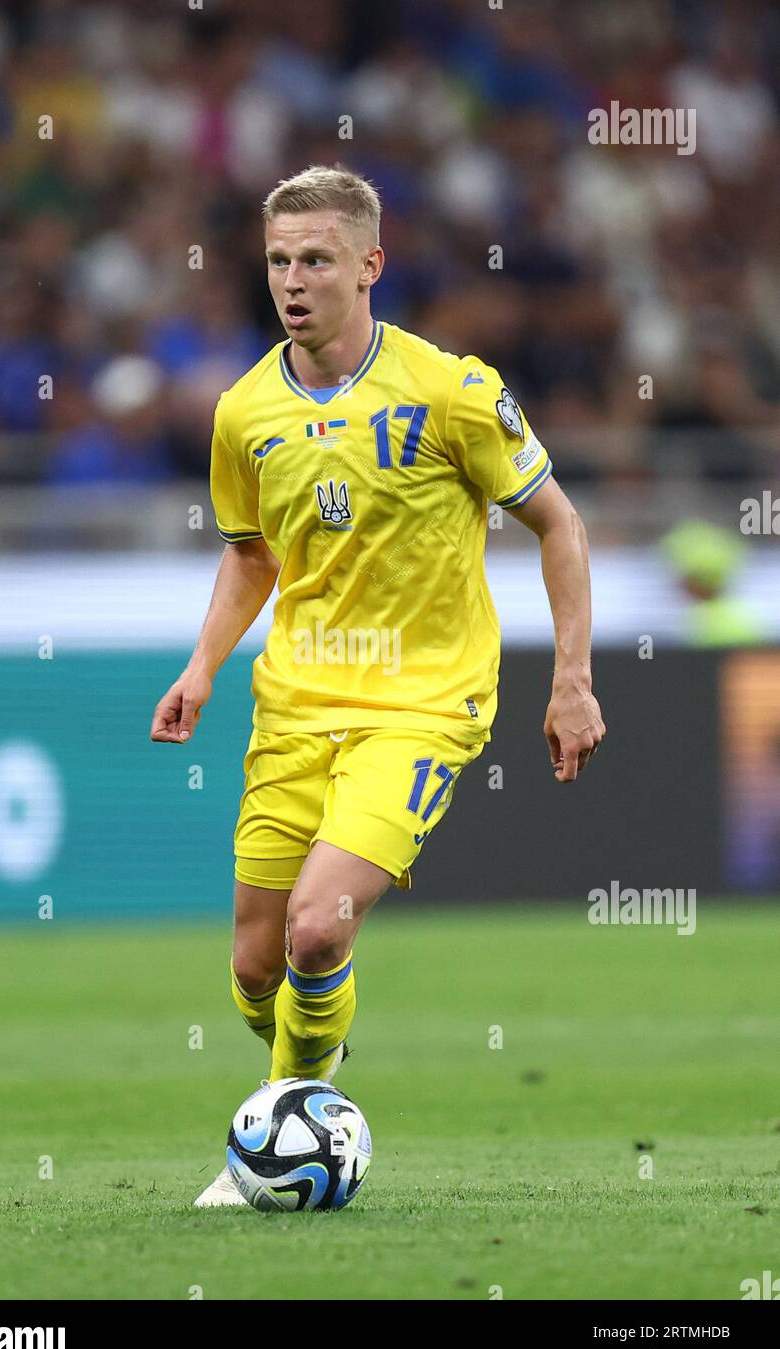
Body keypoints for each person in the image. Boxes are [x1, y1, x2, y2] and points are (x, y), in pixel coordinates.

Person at [150, 165, 606, 1207]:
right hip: (294, 704)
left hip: (423, 705)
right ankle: (311, 1074)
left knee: (319, 927)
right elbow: (250, 554)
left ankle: (281, 1131)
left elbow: (558, 524)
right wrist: (201, 666)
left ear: (369, 265)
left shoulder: (451, 389)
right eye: (277, 260)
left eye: (315, 259)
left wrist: (569, 680)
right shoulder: (243, 410)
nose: (292, 280)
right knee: (259, 968)